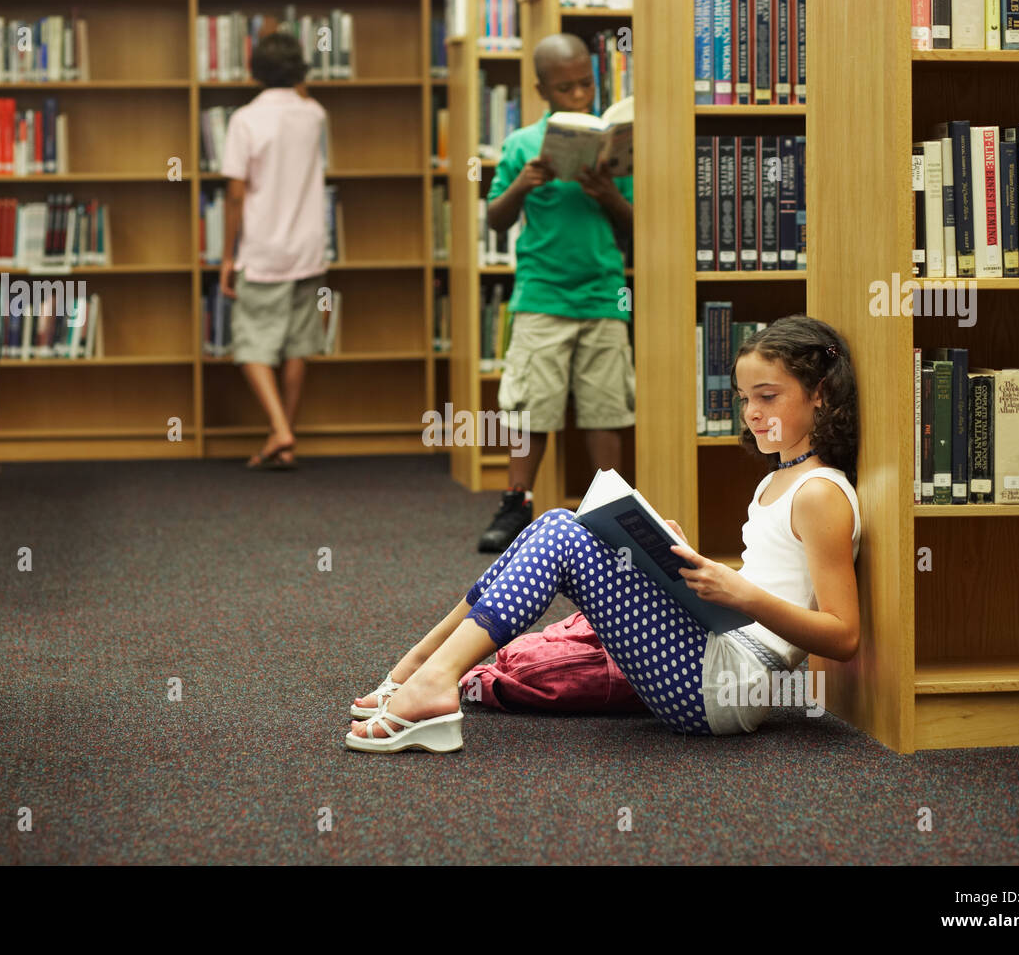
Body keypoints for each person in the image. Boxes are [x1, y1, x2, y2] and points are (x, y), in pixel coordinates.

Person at [346, 315, 861, 752]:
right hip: (717, 647)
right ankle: (419, 668)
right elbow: (771, 584)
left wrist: (740, 593)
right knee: (556, 524)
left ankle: (431, 678)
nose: (752, 413)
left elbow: (843, 635)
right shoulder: (778, 479)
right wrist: (680, 558)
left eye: (768, 397)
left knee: (561, 534)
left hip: (730, 685)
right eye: (745, 398)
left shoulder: (820, 493)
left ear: (820, 395)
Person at [477, 33, 635, 552]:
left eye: (585, 85)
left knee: (606, 407)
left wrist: (608, 192)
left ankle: (611, 509)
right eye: (564, 88)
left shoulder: (614, 147)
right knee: (530, 406)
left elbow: (634, 229)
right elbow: (496, 220)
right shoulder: (523, 144)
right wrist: (522, 184)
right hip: (541, 295)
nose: (578, 96)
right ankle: (515, 503)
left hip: (603, 293)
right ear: (542, 88)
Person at [220, 31, 327, 471]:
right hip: (308, 245)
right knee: (298, 345)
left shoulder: (245, 119)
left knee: (251, 347)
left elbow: (235, 193)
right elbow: (300, 96)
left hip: (264, 248)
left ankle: (280, 429)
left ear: (253, 72)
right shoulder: (315, 114)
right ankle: (283, 438)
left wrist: (228, 255)